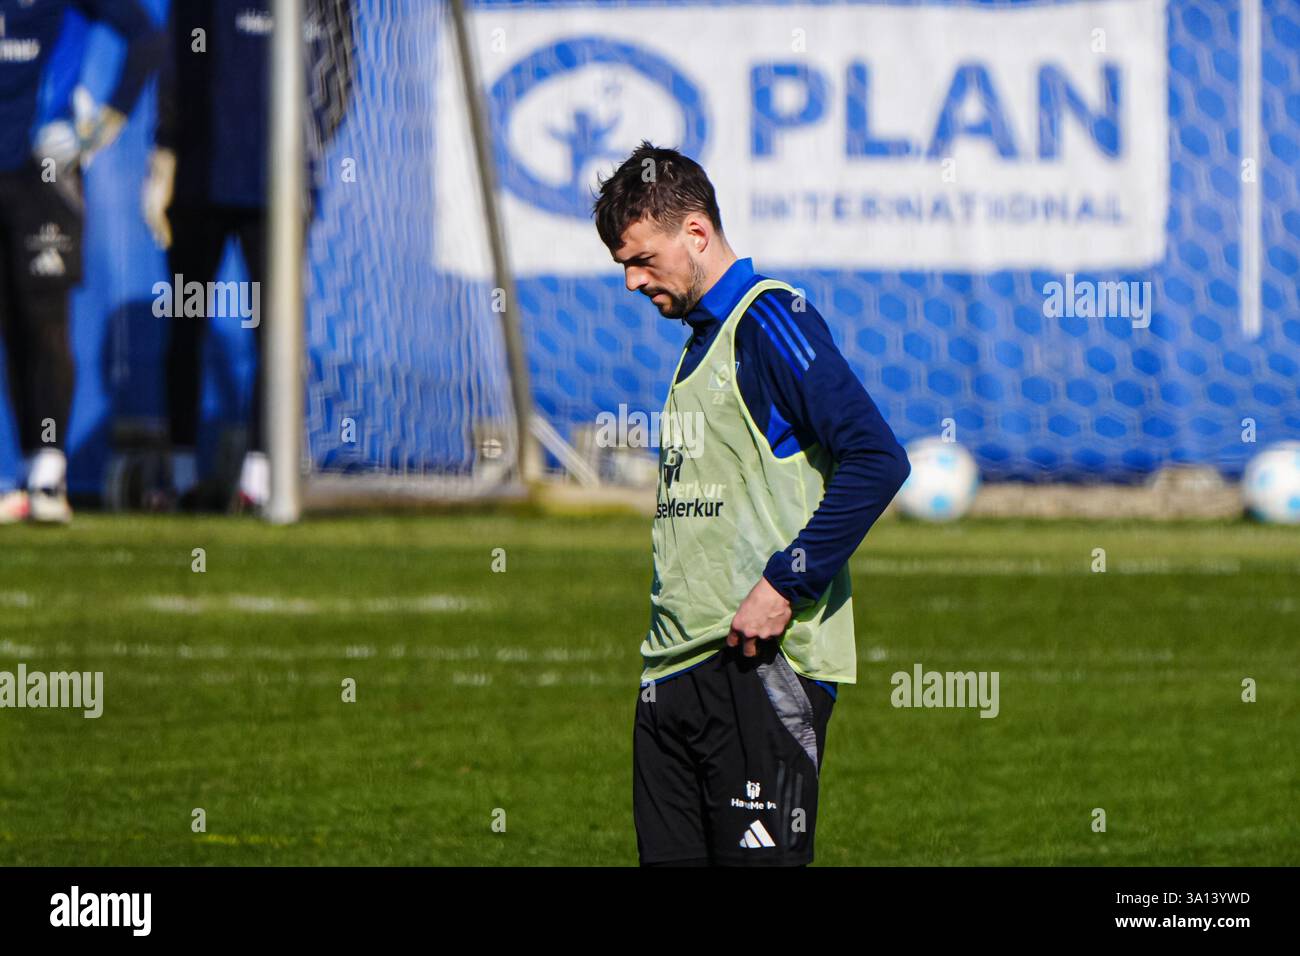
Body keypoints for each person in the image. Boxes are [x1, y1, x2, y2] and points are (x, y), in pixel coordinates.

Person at [593, 141, 911, 866]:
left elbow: (877, 459)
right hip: (670, 673)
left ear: (696, 233)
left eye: (643, 261)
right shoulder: (695, 348)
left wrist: (784, 581)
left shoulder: (770, 320)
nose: (632, 283)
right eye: (624, 266)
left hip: (758, 668)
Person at [142, 0, 353, 512]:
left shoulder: (330, 5)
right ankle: (183, 476)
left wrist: (306, 151)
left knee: (276, 333)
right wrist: (163, 160)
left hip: (279, 189)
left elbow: (340, 76)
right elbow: (175, 67)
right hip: (200, 182)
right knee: (187, 320)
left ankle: (259, 478)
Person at [0, 0, 161, 524]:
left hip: (44, 172)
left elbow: (146, 38)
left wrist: (104, 123)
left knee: (43, 319)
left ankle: (50, 475)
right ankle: (27, 472)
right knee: (10, 322)